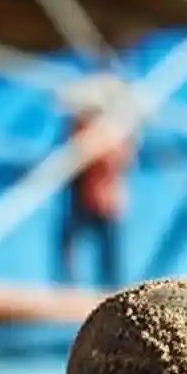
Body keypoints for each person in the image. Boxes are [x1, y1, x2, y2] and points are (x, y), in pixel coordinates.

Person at [57, 107, 133, 288]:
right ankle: (68, 284)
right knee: (69, 245)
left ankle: (111, 287)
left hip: (107, 206)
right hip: (83, 202)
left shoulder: (113, 137)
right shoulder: (81, 133)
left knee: (109, 256)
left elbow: (118, 159)